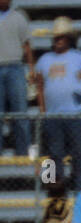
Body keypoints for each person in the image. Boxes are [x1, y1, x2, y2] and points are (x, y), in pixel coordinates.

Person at [34, 16, 81, 186]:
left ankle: (80, 190)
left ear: (69, 39)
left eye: (61, 37)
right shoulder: (44, 60)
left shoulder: (80, 57)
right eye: (56, 37)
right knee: (52, 155)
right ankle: (52, 190)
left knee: (79, 154)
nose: (58, 40)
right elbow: (39, 86)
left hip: (74, 114)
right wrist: (43, 110)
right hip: (53, 115)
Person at [0, 0, 34, 159]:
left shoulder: (19, 17)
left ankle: (22, 153)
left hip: (15, 67)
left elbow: (26, 45)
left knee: (20, 113)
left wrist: (31, 69)